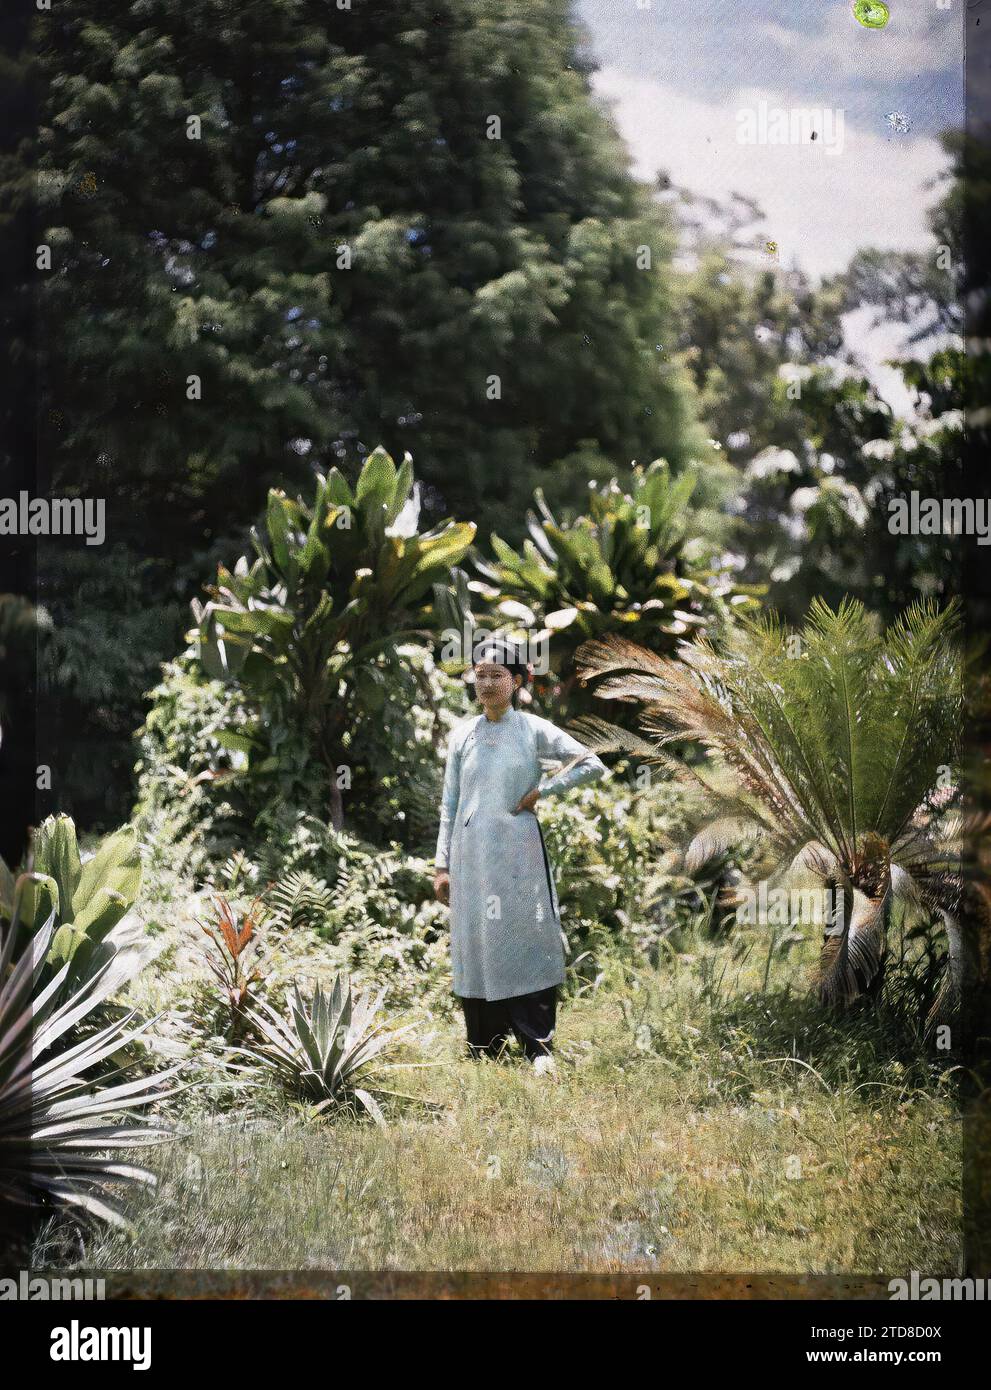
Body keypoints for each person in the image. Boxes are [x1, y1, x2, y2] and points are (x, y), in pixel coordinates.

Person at [432, 637, 608, 1071]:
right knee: (477, 942)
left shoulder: (532, 729)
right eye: (481, 675)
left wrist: (543, 790)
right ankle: (484, 1044)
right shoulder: (462, 736)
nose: (487, 683)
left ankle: (537, 1045)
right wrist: (441, 866)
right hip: (470, 858)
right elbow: (449, 804)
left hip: (518, 856)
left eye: (497, 675)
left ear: (516, 680)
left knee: (527, 939)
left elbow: (592, 764)